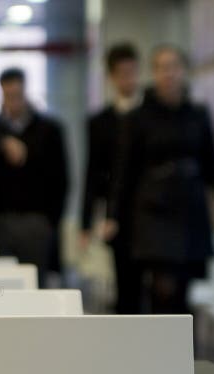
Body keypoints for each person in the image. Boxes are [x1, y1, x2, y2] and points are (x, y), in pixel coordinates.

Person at [107, 45, 214, 314]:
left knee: (183, 287)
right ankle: (161, 347)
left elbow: (212, 163)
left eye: (174, 67)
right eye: (162, 68)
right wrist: (114, 215)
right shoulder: (138, 118)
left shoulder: (198, 115)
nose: (169, 74)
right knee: (162, 284)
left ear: (184, 71)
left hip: (190, 206)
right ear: (154, 74)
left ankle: (184, 351)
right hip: (154, 210)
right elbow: (125, 172)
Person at [0, 68, 69, 286]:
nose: (13, 101)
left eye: (17, 95)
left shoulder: (49, 130)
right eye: (8, 95)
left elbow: (62, 180)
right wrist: (1, 145)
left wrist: (52, 222)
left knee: (36, 287)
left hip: (36, 221)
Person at [81, 42, 143, 313]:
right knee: (125, 284)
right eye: (122, 72)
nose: (128, 78)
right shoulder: (101, 122)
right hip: (118, 214)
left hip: (151, 211)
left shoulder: (150, 114)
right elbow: (93, 172)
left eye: (132, 71)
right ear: (111, 76)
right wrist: (86, 222)